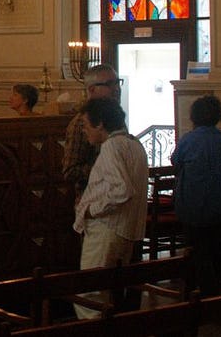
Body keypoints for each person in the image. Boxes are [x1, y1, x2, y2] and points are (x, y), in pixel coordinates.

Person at [72, 97, 149, 319]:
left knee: (90, 295)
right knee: (107, 291)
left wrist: (91, 209)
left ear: (100, 124)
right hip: (126, 230)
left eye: (86, 125)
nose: (84, 131)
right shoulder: (135, 144)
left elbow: (121, 190)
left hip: (106, 230)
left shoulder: (111, 146)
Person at [170, 95, 221, 296]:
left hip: (191, 210)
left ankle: (195, 288)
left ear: (194, 116)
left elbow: (176, 165)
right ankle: (214, 289)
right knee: (215, 250)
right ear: (218, 116)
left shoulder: (187, 140)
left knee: (195, 249)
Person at [62, 64, 123, 198]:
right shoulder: (82, 123)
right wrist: (105, 167)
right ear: (92, 89)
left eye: (117, 82)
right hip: (93, 200)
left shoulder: (115, 117)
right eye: (109, 84)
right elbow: (70, 171)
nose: (117, 89)